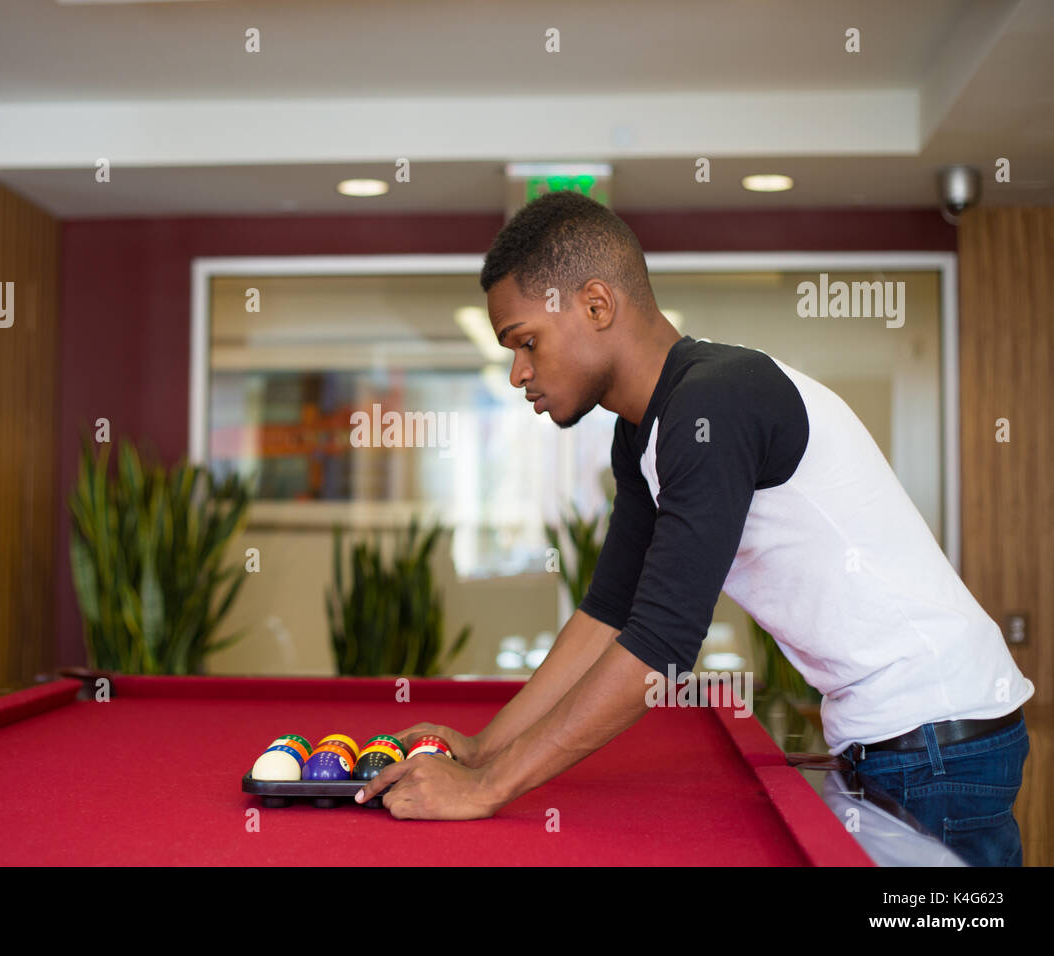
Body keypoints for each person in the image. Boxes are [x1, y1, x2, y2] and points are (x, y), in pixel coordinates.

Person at [355, 191, 1034, 866]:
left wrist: (485, 789)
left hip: (938, 739)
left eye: (526, 342)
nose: (517, 374)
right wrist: (484, 747)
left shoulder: (717, 400)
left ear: (596, 305)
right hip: (902, 734)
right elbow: (608, 612)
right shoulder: (643, 431)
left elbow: (661, 647)